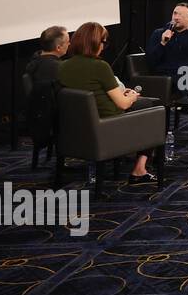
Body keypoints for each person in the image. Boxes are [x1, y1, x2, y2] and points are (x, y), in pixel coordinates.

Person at [58, 22, 162, 182]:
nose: (103, 47)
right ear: (94, 43)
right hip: (110, 127)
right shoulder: (100, 66)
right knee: (155, 111)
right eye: (103, 42)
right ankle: (139, 169)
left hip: (76, 127)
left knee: (147, 105)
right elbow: (123, 105)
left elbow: (91, 94)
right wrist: (132, 96)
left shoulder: (63, 66)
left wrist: (122, 94)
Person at [147, 2, 188, 141]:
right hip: (165, 77)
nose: (176, 17)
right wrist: (163, 43)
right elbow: (150, 60)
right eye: (175, 13)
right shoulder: (159, 34)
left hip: (186, 76)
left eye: (181, 15)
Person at [24, 25, 69, 98]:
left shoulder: (33, 62)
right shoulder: (60, 68)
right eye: (67, 42)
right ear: (58, 47)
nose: (69, 44)